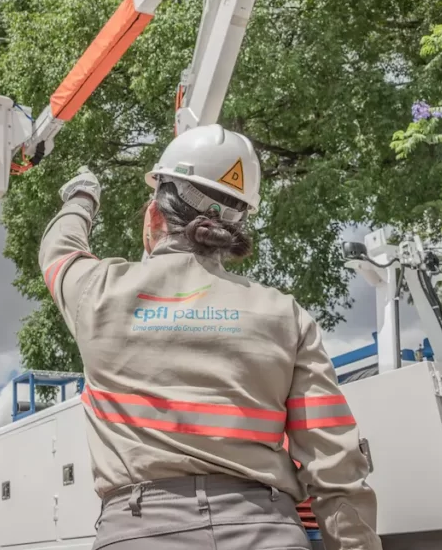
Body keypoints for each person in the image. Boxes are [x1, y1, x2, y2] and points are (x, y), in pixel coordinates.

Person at [39, 123, 381, 550]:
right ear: (231, 234)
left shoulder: (98, 292)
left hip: (140, 532)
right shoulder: (283, 314)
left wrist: (82, 196)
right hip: (267, 530)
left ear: (154, 216)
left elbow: (59, 248)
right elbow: (334, 462)